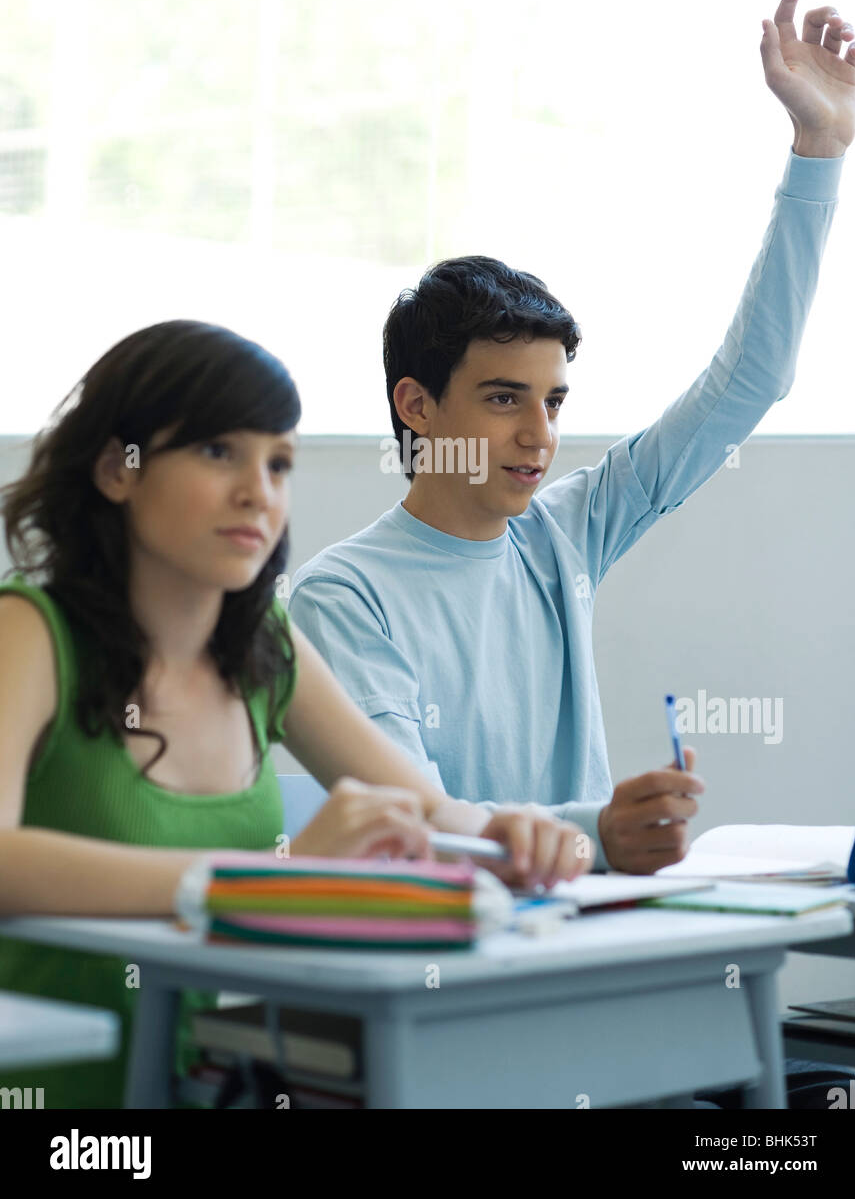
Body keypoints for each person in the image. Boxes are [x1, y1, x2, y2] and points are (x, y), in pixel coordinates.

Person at [288, 0, 855, 874]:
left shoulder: (564, 536)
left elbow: (751, 380)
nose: (539, 436)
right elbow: (415, 820)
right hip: (463, 955)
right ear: (416, 405)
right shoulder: (343, 596)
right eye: (504, 398)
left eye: (552, 401)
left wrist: (818, 150)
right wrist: (598, 833)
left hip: (586, 926)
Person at [0, 321, 591, 1109]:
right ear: (118, 468)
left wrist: (502, 835)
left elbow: (424, 803)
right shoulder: (30, 630)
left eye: (278, 462)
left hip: (208, 1087)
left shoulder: (260, 644)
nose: (259, 492)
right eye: (218, 453)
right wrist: (267, 882)